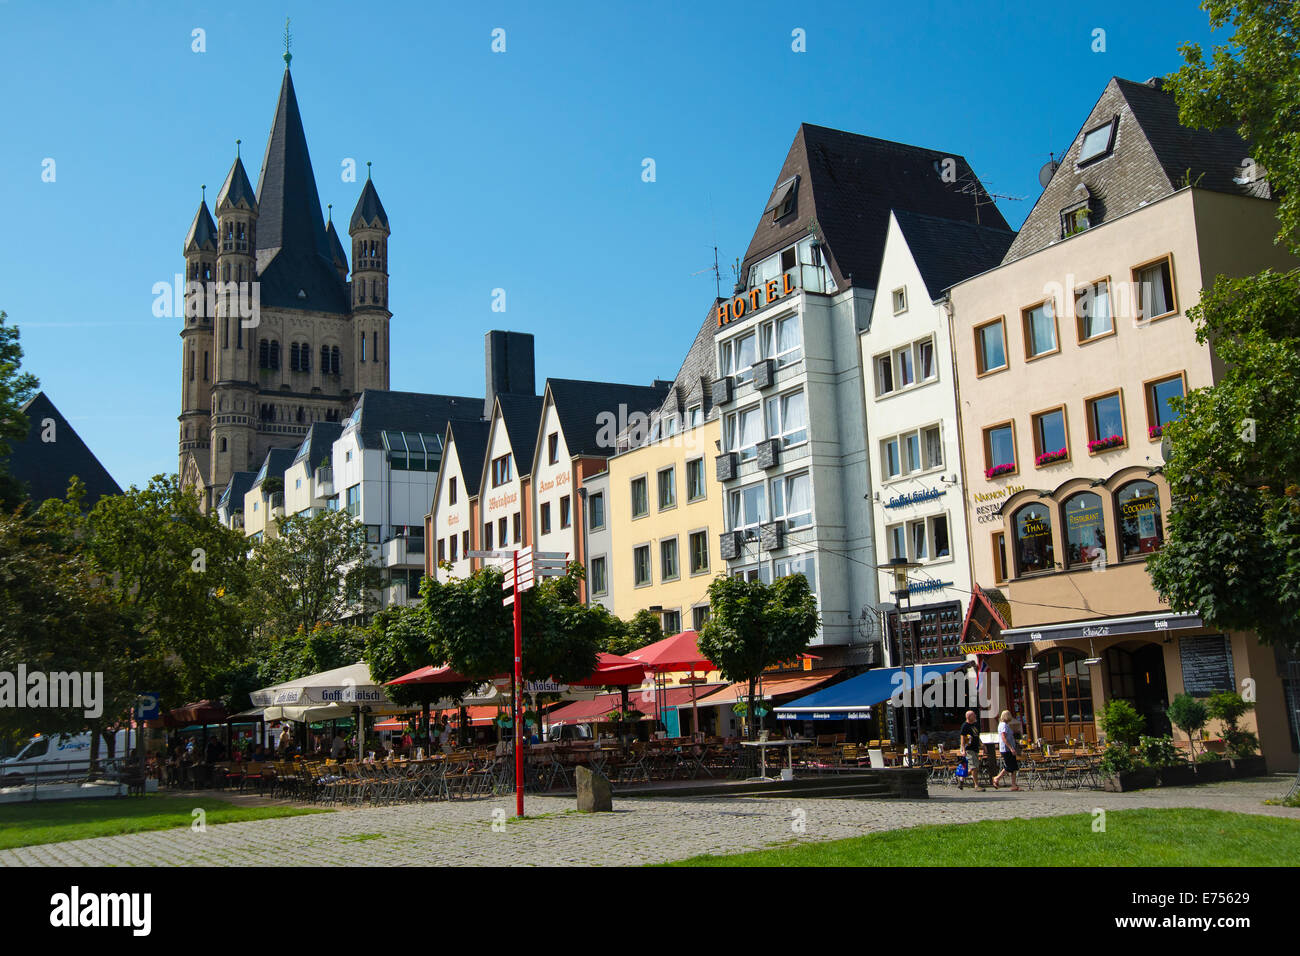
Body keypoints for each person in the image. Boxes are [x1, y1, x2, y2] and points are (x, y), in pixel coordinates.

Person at [992, 709, 1022, 791]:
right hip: (1006, 749)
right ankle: (997, 778)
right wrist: (1011, 748)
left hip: (1008, 749)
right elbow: (1004, 738)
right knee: (1009, 766)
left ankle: (1013, 785)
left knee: (1014, 767)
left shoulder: (1005, 725)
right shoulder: (1003, 726)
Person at [958, 710, 984, 791]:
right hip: (969, 749)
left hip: (975, 748)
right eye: (973, 715)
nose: (975, 716)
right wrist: (963, 750)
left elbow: (976, 736)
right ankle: (976, 785)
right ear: (968, 717)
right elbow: (962, 738)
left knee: (974, 767)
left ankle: (961, 778)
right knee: (974, 767)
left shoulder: (975, 725)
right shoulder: (965, 726)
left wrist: (982, 744)